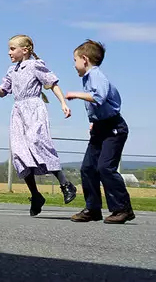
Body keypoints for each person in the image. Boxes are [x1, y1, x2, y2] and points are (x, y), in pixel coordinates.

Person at [0, 35, 76, 216]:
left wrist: (63, 103)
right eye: (8, 49)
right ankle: (36, 195)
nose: (9, 53)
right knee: (20, 154)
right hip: (18, 112)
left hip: (34, 108)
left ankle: (65, 183)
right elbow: (2, 92)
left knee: (38, 143)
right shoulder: (11, 71)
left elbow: (52, 83)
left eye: (12, 49)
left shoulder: (34, 65)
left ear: (24, 50)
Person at [66, 40, 135, 224]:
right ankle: (93, 209)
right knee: (88, 168)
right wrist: (93, 122)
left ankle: (123, 209)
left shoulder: (96, 76)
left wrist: (75, 94)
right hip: (100, 127)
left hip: (114, 128)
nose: (74, 65)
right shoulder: (88, 78)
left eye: (75, 60)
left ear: (85, 59)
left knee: (105, 167)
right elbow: (96, 106)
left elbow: (99, 97)